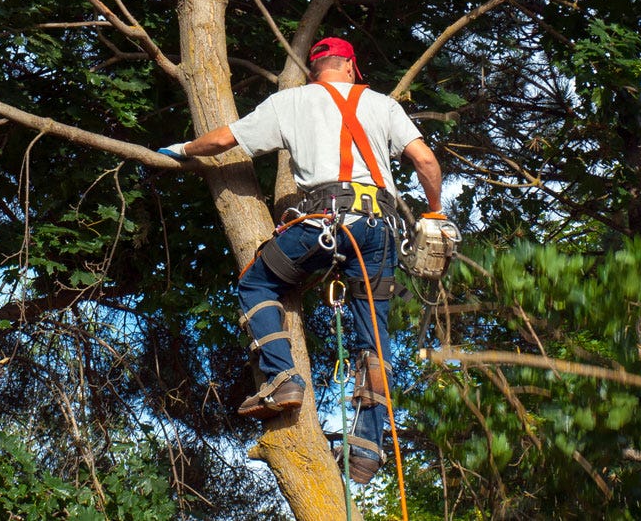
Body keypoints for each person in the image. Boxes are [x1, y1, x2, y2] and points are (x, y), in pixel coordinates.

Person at [157, 37, 443, 484]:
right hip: (379, 232)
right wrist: (435, 211)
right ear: (351, 66)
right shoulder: (382, 104)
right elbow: (424, 160)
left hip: (324, 223)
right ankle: (367, 448)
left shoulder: (289, 102)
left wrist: (183, 150)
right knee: (373, 337)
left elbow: (223, 140)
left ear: (314, 71)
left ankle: (283, 379)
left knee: (257, 283)